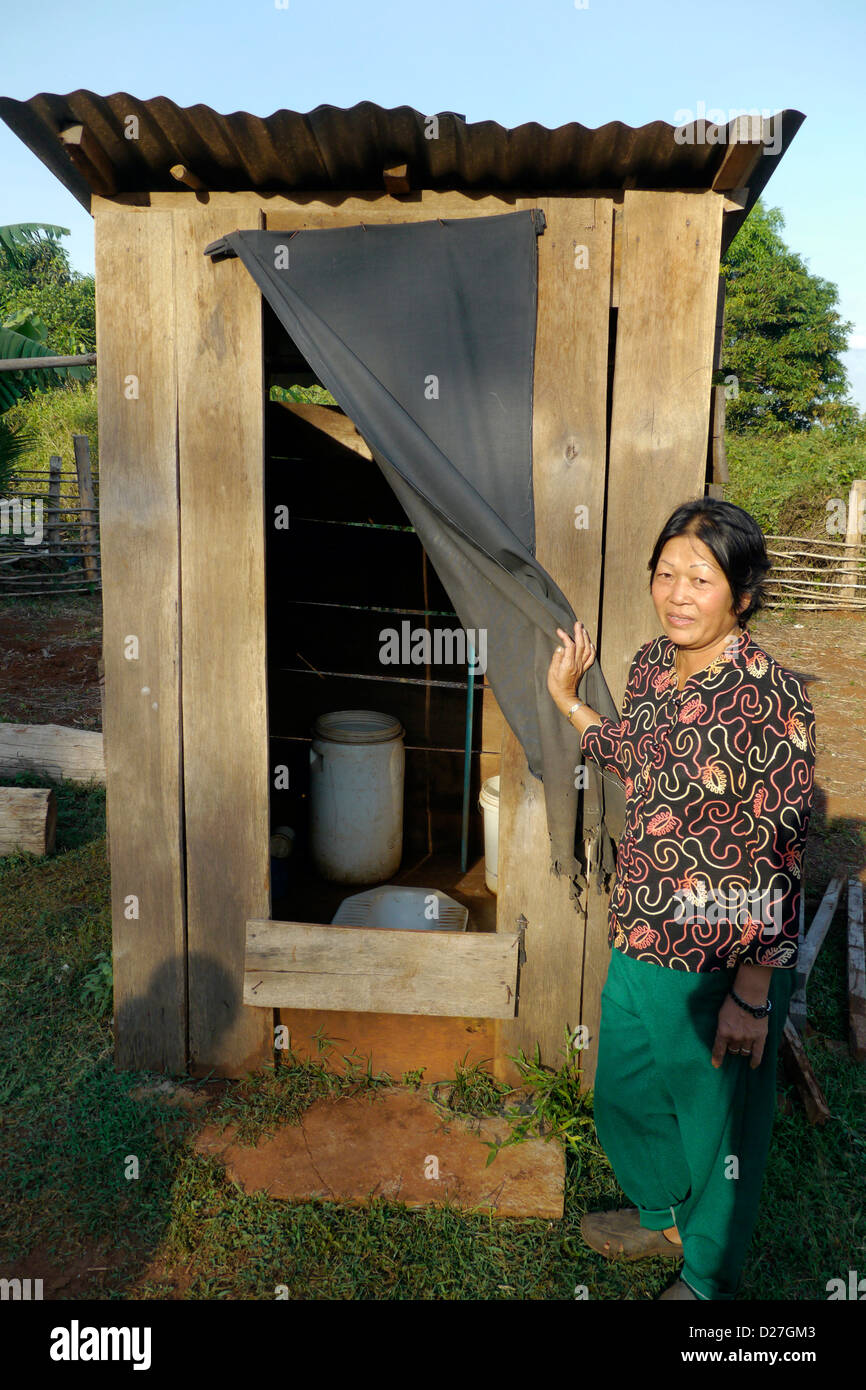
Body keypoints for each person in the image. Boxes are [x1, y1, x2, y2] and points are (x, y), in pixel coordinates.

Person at [546, 497, 816, 1301]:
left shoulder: (770, 698)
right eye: (666, 574)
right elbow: (638, 755)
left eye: (701, 577)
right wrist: (568, 700)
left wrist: (753, 997)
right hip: (638, 933)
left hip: (716, 961)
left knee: (719, 1130)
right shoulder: (649, 666)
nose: (678, 593)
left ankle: (705, 1282)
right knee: (623, 1091)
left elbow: (784, 852)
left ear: (742, 590)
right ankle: (664, 1217)